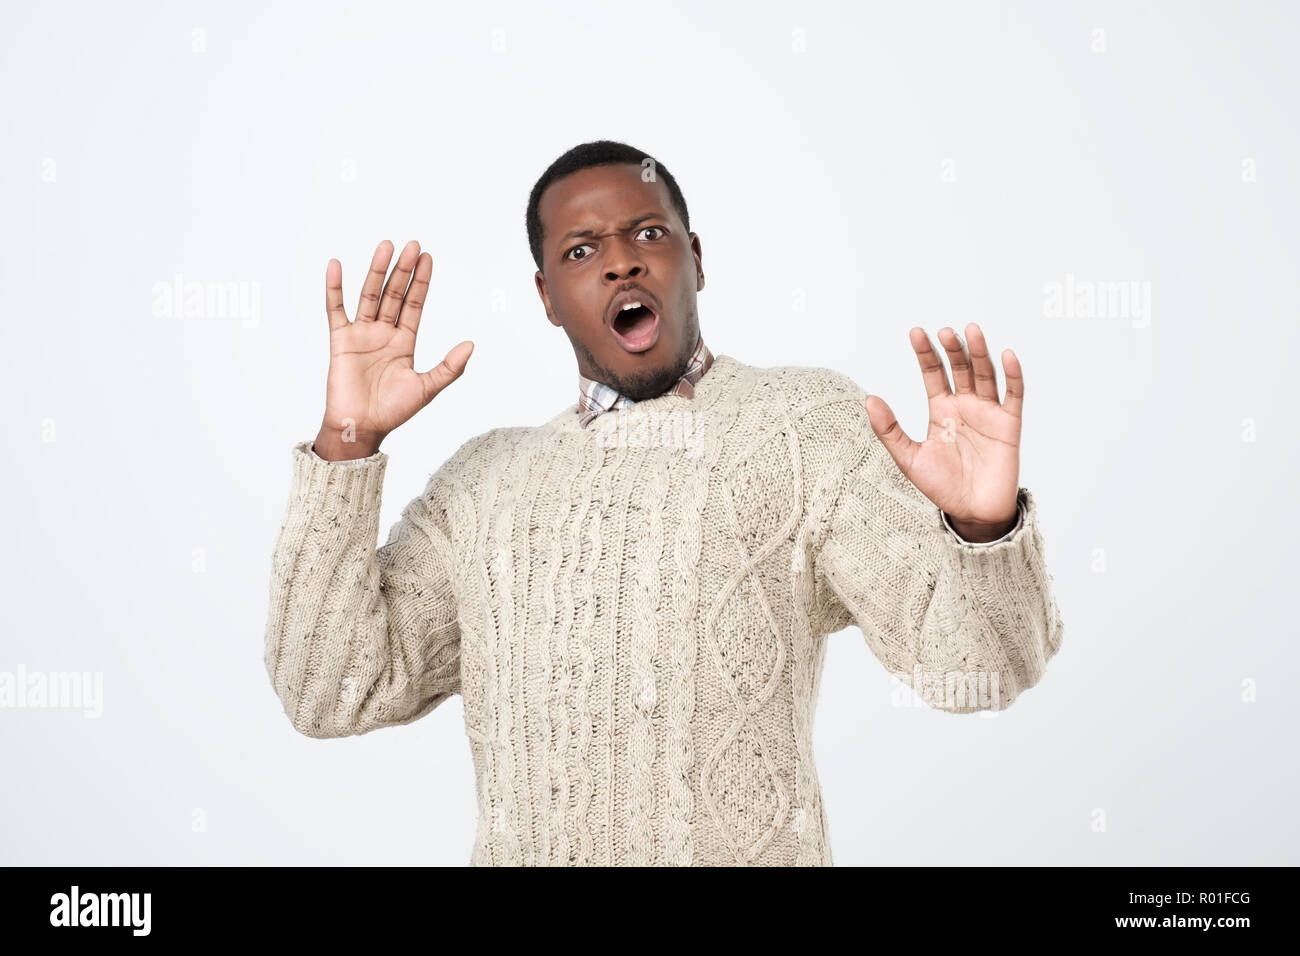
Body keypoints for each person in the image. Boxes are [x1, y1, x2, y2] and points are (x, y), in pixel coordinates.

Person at [263, 140, 1065, 866]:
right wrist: (346, 442)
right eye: (582, 250)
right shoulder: (483, 485)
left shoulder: (806, 427)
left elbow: (981, 669)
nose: (620, 264)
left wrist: (981, 527)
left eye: (647, 234)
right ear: (547, 296)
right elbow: (329, 691)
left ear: (696, 258)